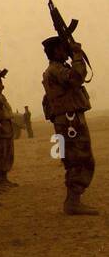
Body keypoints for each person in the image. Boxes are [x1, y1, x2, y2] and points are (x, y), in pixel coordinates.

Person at [41, 35, 96, 215]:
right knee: (78, 159)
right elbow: (76, 77)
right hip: (70, 121)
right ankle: (73, 202)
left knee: (77, 159)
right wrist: (78, 55)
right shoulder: (56, 70)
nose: (66, 51)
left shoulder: (55, 69)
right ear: (55, 51)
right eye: (62, 48)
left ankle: (73, 200)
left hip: (68, 120)